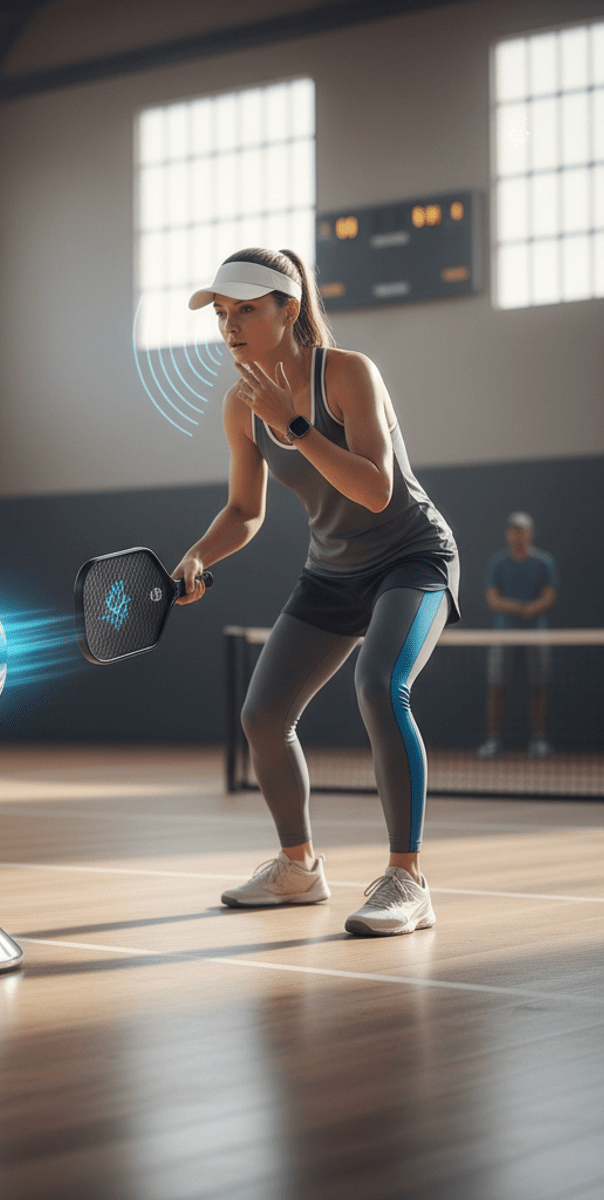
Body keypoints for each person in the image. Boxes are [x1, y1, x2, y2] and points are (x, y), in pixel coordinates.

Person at [172, 248, 459, 937]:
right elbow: (245, 510)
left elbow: (376, 488)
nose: (229, 325)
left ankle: (407, 879)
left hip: (411, 559)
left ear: (288, 310)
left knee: (378, 685)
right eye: (221, 312)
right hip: (331, 572)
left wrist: (296, 426)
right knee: (263, 718)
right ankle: (298, 867)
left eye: (245, 309)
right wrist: (198, 554)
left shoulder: (350, 373)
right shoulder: (240, 407)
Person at [477, 512, 558, 760]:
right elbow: (493, 599)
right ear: (508, 534)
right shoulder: (498, 563)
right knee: (496, 686)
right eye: (513, 530)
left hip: (536, 633)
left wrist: (533, 608)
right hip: (504, 632)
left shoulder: (544, 562)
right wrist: (518, 608)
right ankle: (493, 741)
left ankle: (539, 741)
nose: (517, 534)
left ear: (530, 533)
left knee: (539, 686)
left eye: (522, 530)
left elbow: (549, 595)